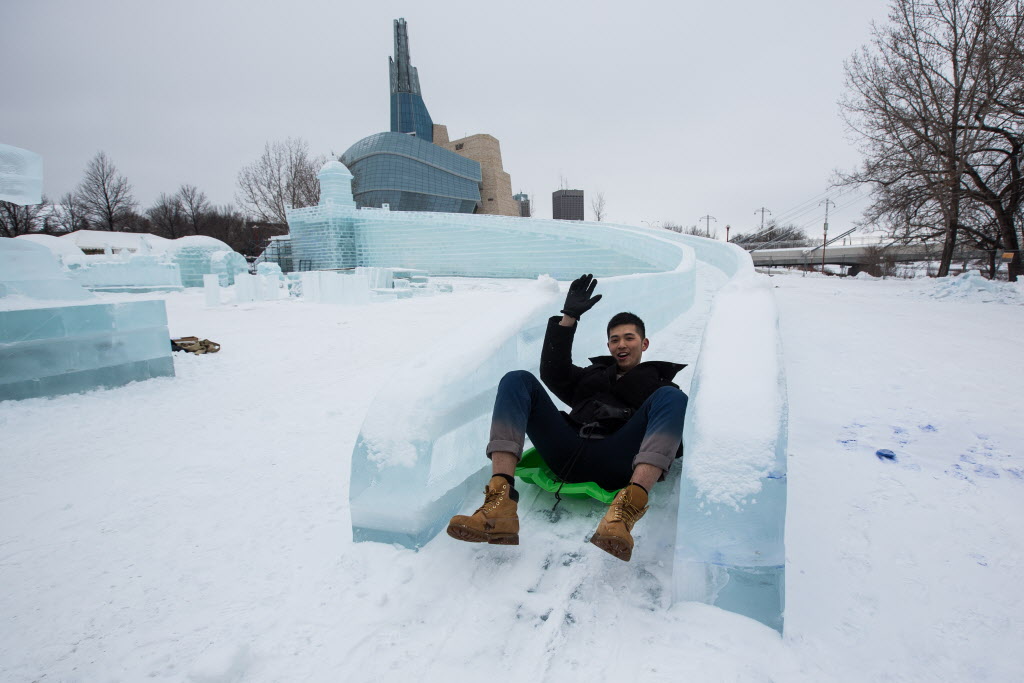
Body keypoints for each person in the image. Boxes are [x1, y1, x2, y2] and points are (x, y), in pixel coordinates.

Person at [447, 273, 688, 561]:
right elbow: (553, 371)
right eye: (614, 340)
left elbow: (675, 440)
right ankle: (499, 501)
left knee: (674, 398)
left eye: (629, 338)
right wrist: (568, 318)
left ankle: (623, 514)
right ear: (608, 346)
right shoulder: (592, 376)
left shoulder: (659, 386)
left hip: (618, 461)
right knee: (517, 379)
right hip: (566, 451)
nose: (621, 344)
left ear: (644, 344)